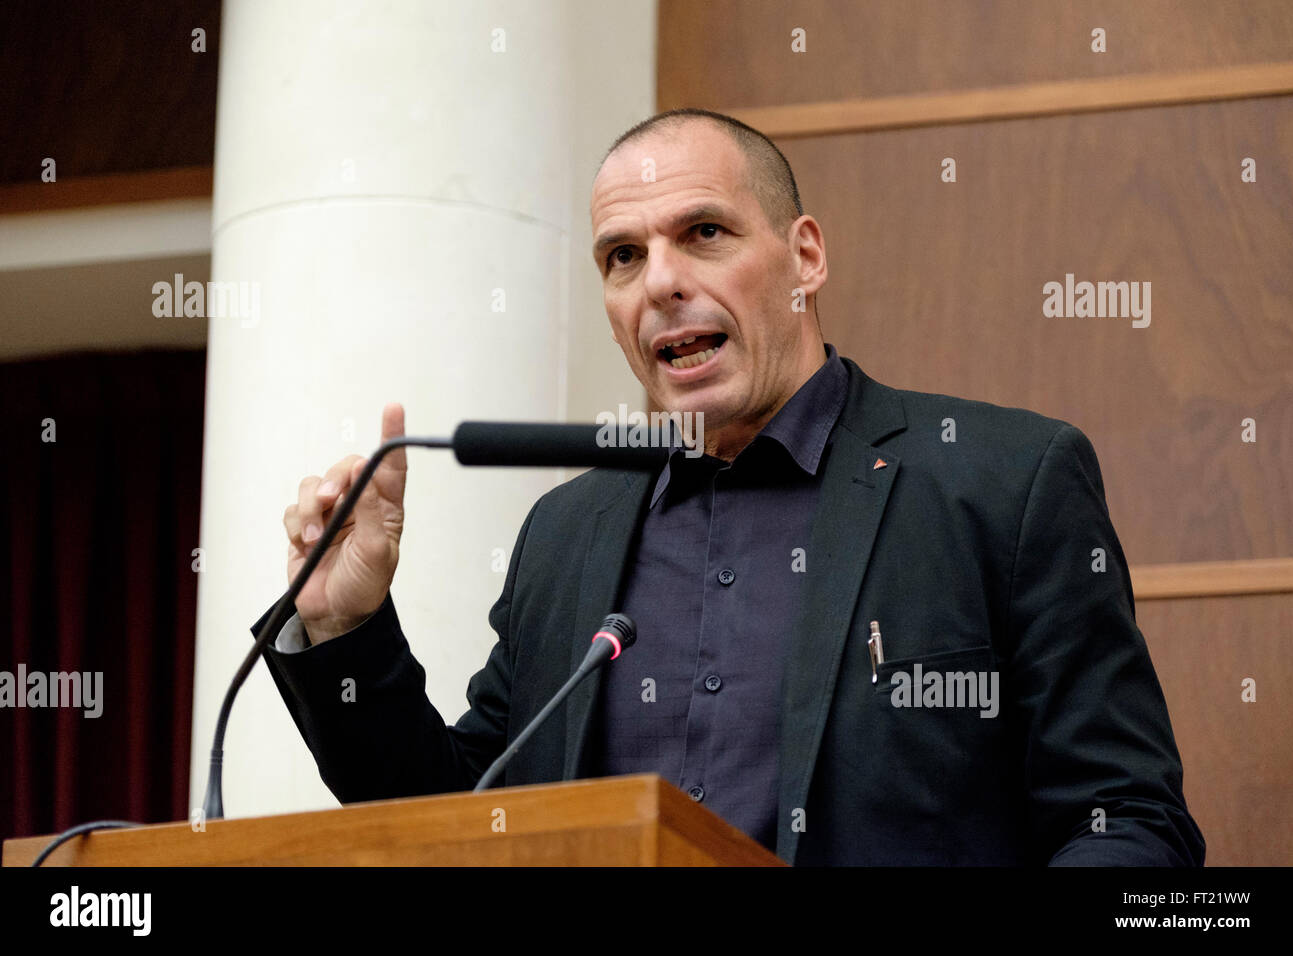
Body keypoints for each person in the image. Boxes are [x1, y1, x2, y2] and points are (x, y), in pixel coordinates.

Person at [254, 108, 1205, 865]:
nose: (659, 282)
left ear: (805, 258)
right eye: (623, 256)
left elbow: (1124, 821)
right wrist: (346, 629)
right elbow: (462, 822)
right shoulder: (565, 531)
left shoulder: (1004, 482)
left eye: (702, 233)